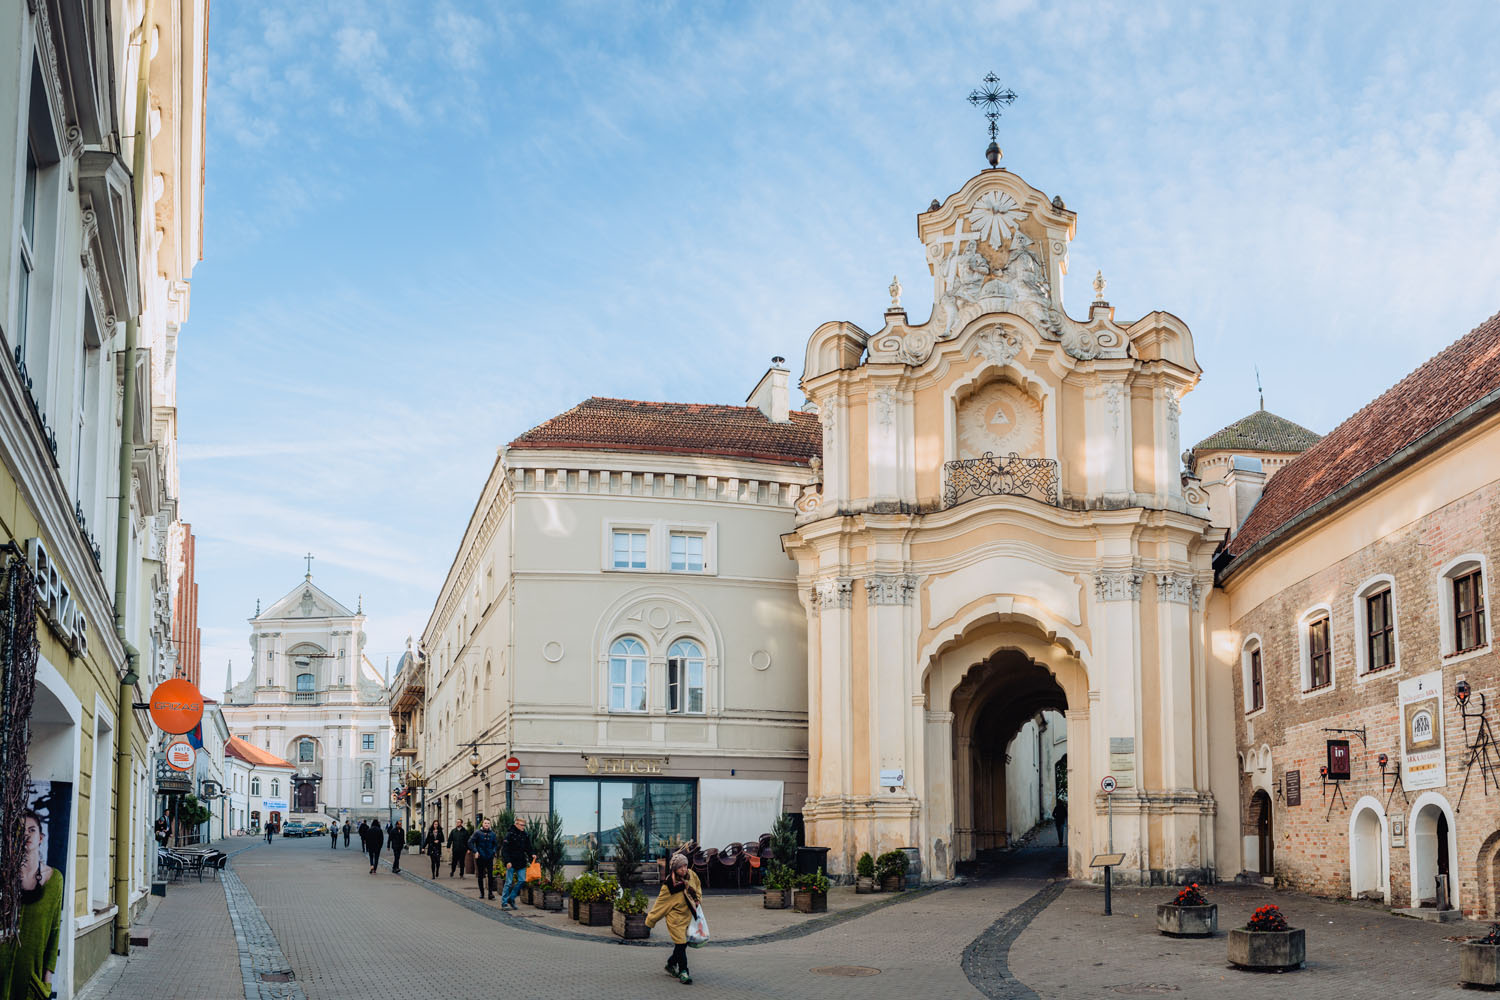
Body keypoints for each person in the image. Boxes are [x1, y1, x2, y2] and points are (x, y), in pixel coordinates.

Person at [0, 810, 63, 998]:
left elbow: (54, 931)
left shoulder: (55, 879)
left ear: (41, 837)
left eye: (32, 829)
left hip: (30, 976)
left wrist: (47, 980)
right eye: (20, 830)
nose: (26, 834)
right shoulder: (5, 876)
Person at [647, 853, 702, 985]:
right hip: (675, 920)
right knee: (681, 944)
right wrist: (650, 921)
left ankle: (670, 964)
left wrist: (697, 899)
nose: (684, 869)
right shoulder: (669, 886)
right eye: (680, 867)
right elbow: (660, 904)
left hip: (688, 915)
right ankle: (684, 972)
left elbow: (698, 887)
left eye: (685, 866)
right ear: (674, 869)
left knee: (682, 945)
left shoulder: (691, 875)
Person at [499, 816, 531, 910]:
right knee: (508, 883)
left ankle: (511, 898)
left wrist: (532, 854)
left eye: (524, 825)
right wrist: (507, 861)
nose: (523, 827)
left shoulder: (525, 835)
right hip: (511, 862)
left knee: (522, 880)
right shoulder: (509, 834)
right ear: (516, 824)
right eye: (521, 825)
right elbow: (504, 850)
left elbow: (528, 847)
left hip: (521, 861)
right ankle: (504, 903)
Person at [470, 818, 499, 899]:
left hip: (489, 857)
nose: (487, 824)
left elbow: (495, 844)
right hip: (480, 856)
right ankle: (482, 893)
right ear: (482, 824)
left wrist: (493, 851)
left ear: (490, 824)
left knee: (490, 875)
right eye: (485, 823)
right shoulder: (477, 833)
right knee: (480, 875)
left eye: (488, 823)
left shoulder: (492, 834)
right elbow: (470, 842)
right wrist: (475, 851)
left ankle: (490, 893)